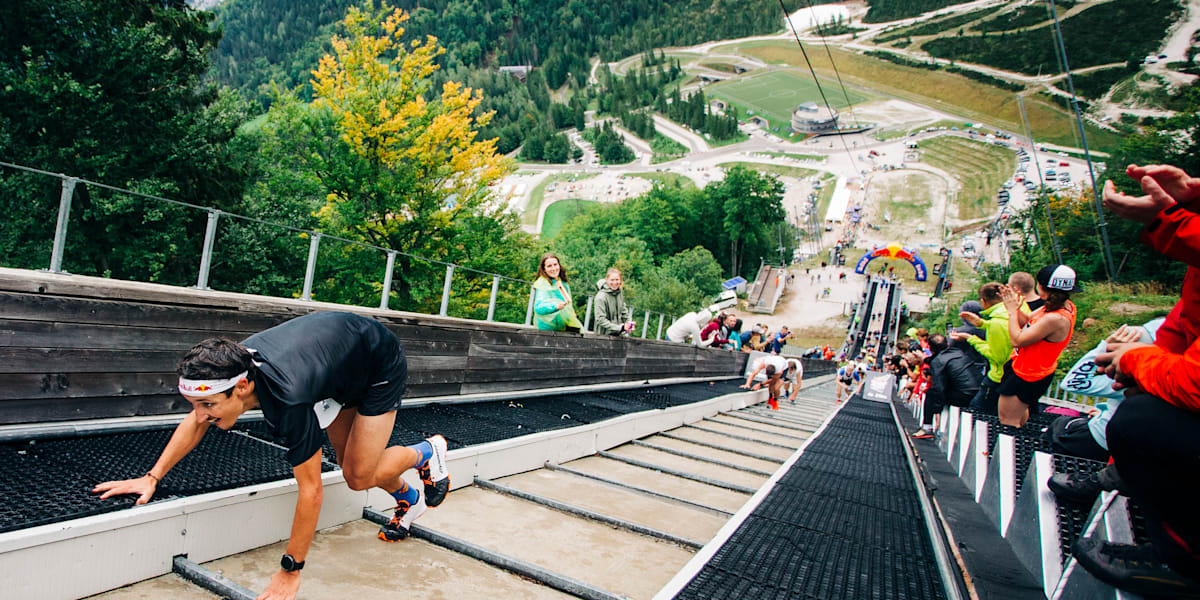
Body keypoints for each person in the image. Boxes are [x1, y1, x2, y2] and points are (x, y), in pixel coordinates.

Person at [93, 312, 451, 600]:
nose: (200, 415)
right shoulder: (231, 370)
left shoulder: (289, 400)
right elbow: (196, 422)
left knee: (357, 477)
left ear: (241, 388)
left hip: (376, 364)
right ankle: (408, 498)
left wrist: (290, 571)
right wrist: (151, 477)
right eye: (196, 404)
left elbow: (311, 491)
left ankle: (428, 451)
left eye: (208, 405)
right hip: (336, 364)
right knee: (352, 464)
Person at [995, 265, 1079, 427]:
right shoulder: (1059, 306)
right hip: (1027, 367)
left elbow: (1017, 340)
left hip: (1028, 374)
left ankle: (1010, 441)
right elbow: (1028, 321)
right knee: (1018, 414)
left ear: (1040, 286)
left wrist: (1012, 313)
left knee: (1008, 421)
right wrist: (1014, 307)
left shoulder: (1055, 318)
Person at [950, 282, 1012, 415]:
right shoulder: (1011, 313)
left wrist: (970, 338)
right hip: (996, 371)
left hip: (997, 375)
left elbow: (997, 356)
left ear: (983, 301)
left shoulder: (996, 322)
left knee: (977, 411)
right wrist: (982, 324)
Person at [912, 334, 981, 439]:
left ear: (930, 348)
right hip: (978, 391)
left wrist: (937, 409)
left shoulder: (938, 361)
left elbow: (939, 388)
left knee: (930, 393)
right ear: (947, 344)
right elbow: (940, 359)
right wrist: (924, 358)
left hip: (963, 395)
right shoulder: (958, 352)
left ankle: (927, 428)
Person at [532, 253, 583, 332]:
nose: (553, 268)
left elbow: (568, 305)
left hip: (564, 325)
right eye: (549, 266)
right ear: (544, 269)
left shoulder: (563, 283)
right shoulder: (543, 283)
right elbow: (538, 308)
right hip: (547, 328)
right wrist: (555, 307)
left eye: (555, 264)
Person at [593, 268, 634, 336]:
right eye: (612, 280)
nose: (615, 283)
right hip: (602, 336)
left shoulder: (619, 294)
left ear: (620, 280)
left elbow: (624, 311)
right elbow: (600, 319)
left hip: (618, 335)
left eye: (617, 280)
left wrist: (629, 323)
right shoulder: (601, 297)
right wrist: (620, 328)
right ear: (607, 280)